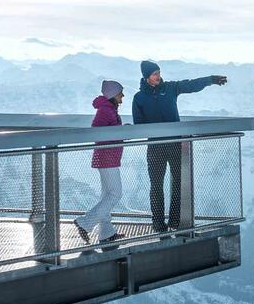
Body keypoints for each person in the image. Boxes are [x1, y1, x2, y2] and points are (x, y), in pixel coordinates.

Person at [132, 60, 228, 233]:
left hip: (175, 144)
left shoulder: (170, 88)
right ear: (146, 77)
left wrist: (211, 79)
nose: (158, 76)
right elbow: (139, 124)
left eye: (159, 72)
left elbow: (191, 85)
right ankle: (158, 223)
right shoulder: (139, 98)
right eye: (154, 74)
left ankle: (175, 221)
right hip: (155, 146)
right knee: (156, 185)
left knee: (178, 182)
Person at [75, 79, 126, 243]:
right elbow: (97, 130)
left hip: (108, 157)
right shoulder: (106, 110)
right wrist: (121, 130)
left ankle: (106, 233)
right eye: (120, 93)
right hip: (107, 157)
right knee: (115, 194)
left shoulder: (109, 108)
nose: (123, 96)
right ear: (112, 95)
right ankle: (85, 223)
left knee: (106, 195)